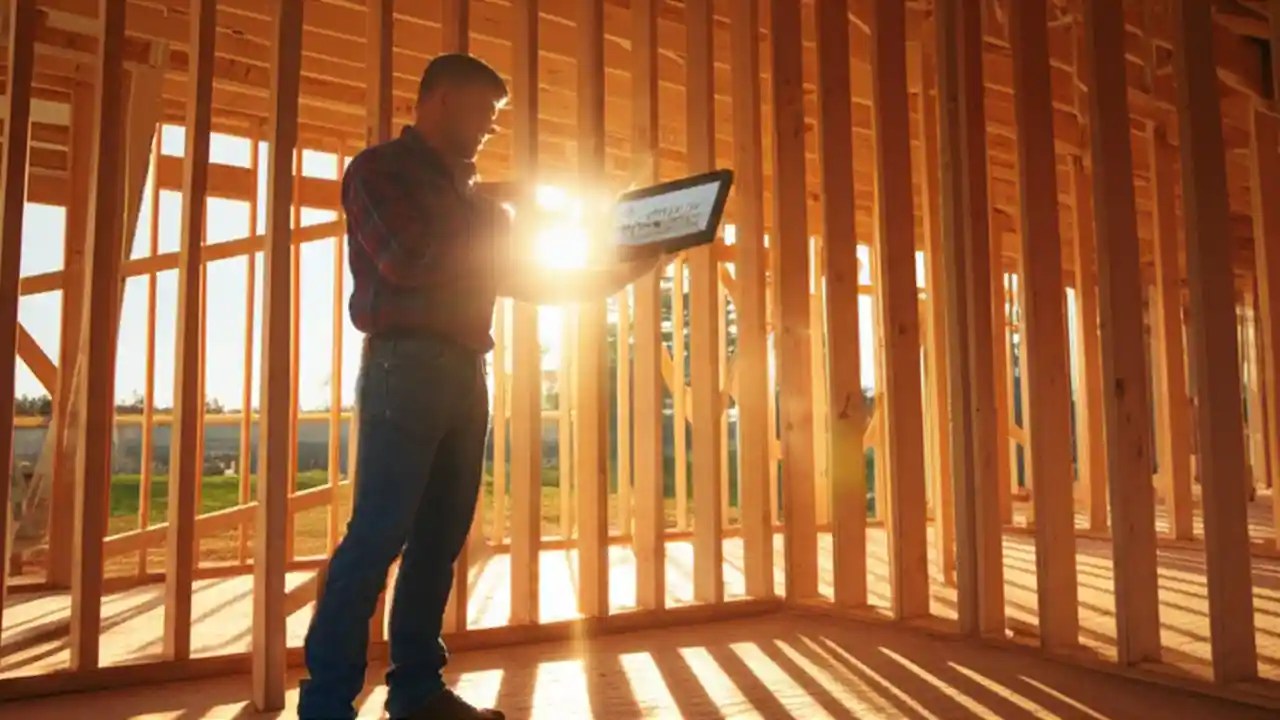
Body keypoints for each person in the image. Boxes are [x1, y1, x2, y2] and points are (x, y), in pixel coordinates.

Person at [296, 54, 661, 720]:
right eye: (483, 114)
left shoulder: (481, 208)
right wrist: (494, 235)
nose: (490, 129)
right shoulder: (379, 171)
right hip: (404, 366)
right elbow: (408, 260)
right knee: (378, 535)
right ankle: (325, 707)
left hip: (467, 371)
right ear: (440, 101)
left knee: (439, 540)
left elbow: (537, 281)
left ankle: (417, 693)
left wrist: (630, 266)